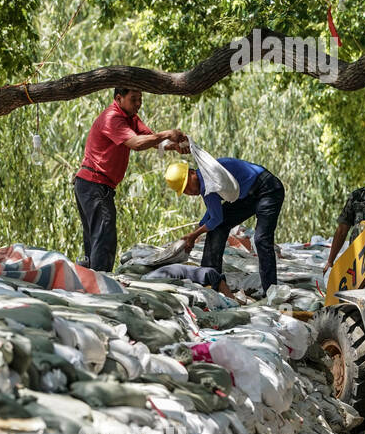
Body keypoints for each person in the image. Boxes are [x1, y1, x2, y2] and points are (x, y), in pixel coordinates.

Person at [74, 88, 186, 271]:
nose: (138, 104)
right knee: (104, 237)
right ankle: (100, 282)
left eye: (140, 99)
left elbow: (151, 139)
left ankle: (90, 278)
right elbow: (137, 143)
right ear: (119, 98)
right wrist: (167, 133)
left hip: (94, 185)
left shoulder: (131, 117)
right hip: (94, 184)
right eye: (134, 99)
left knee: (96, 237)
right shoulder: (112, 118)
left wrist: (175, 146)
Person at [166, 157, 285, 291]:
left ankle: (271, 290)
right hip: (248, 195)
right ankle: (210, 278)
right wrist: (198, 229)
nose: (189, 191)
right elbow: (213, 212)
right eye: (185, 190)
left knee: (262, 240)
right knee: (218, 228)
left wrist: (194, 235)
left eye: (187, 185)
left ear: (192, 173)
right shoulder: (205, 182)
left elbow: (216, 218)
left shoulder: (208, 180)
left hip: (268, 189)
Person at [143, 263, 243, 301]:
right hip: (159, 279)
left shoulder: (196, 272)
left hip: (150, 278)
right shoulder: (211, 274)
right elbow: (228, 296)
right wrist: (234, 300)